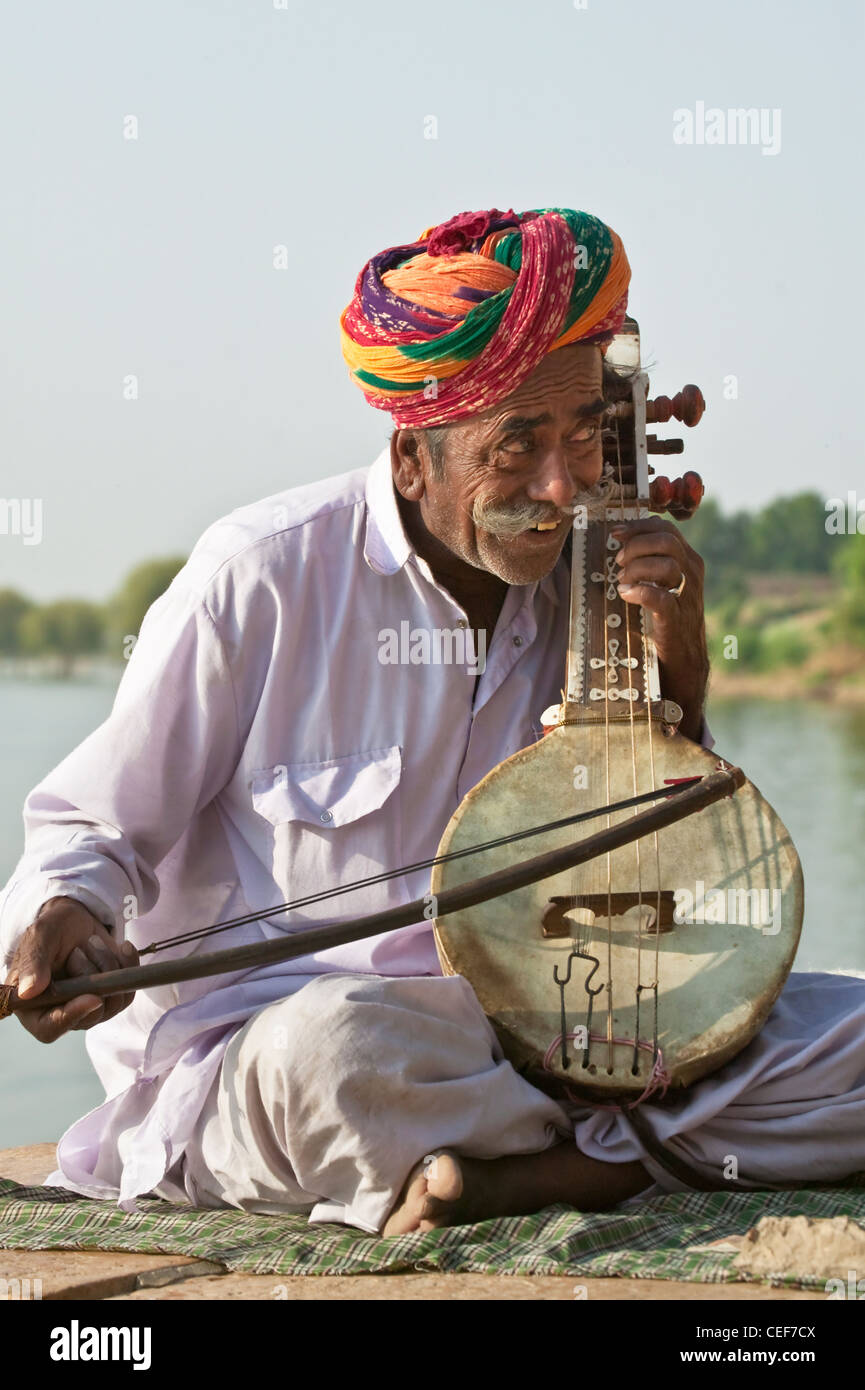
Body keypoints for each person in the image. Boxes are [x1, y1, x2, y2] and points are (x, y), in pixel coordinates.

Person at [2, 207, 864, 1236]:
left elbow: (668, 887)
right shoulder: (261, 579)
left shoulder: (592, 598)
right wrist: (61, 913)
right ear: (415, 458)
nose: (559, 488)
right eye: (518, 448)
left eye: (585, 435)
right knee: (337, 1056)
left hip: (549, 1034)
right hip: (296, 1050)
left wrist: (678, 664)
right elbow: (94, 824)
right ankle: (611, 1155)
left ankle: (533, 1174)